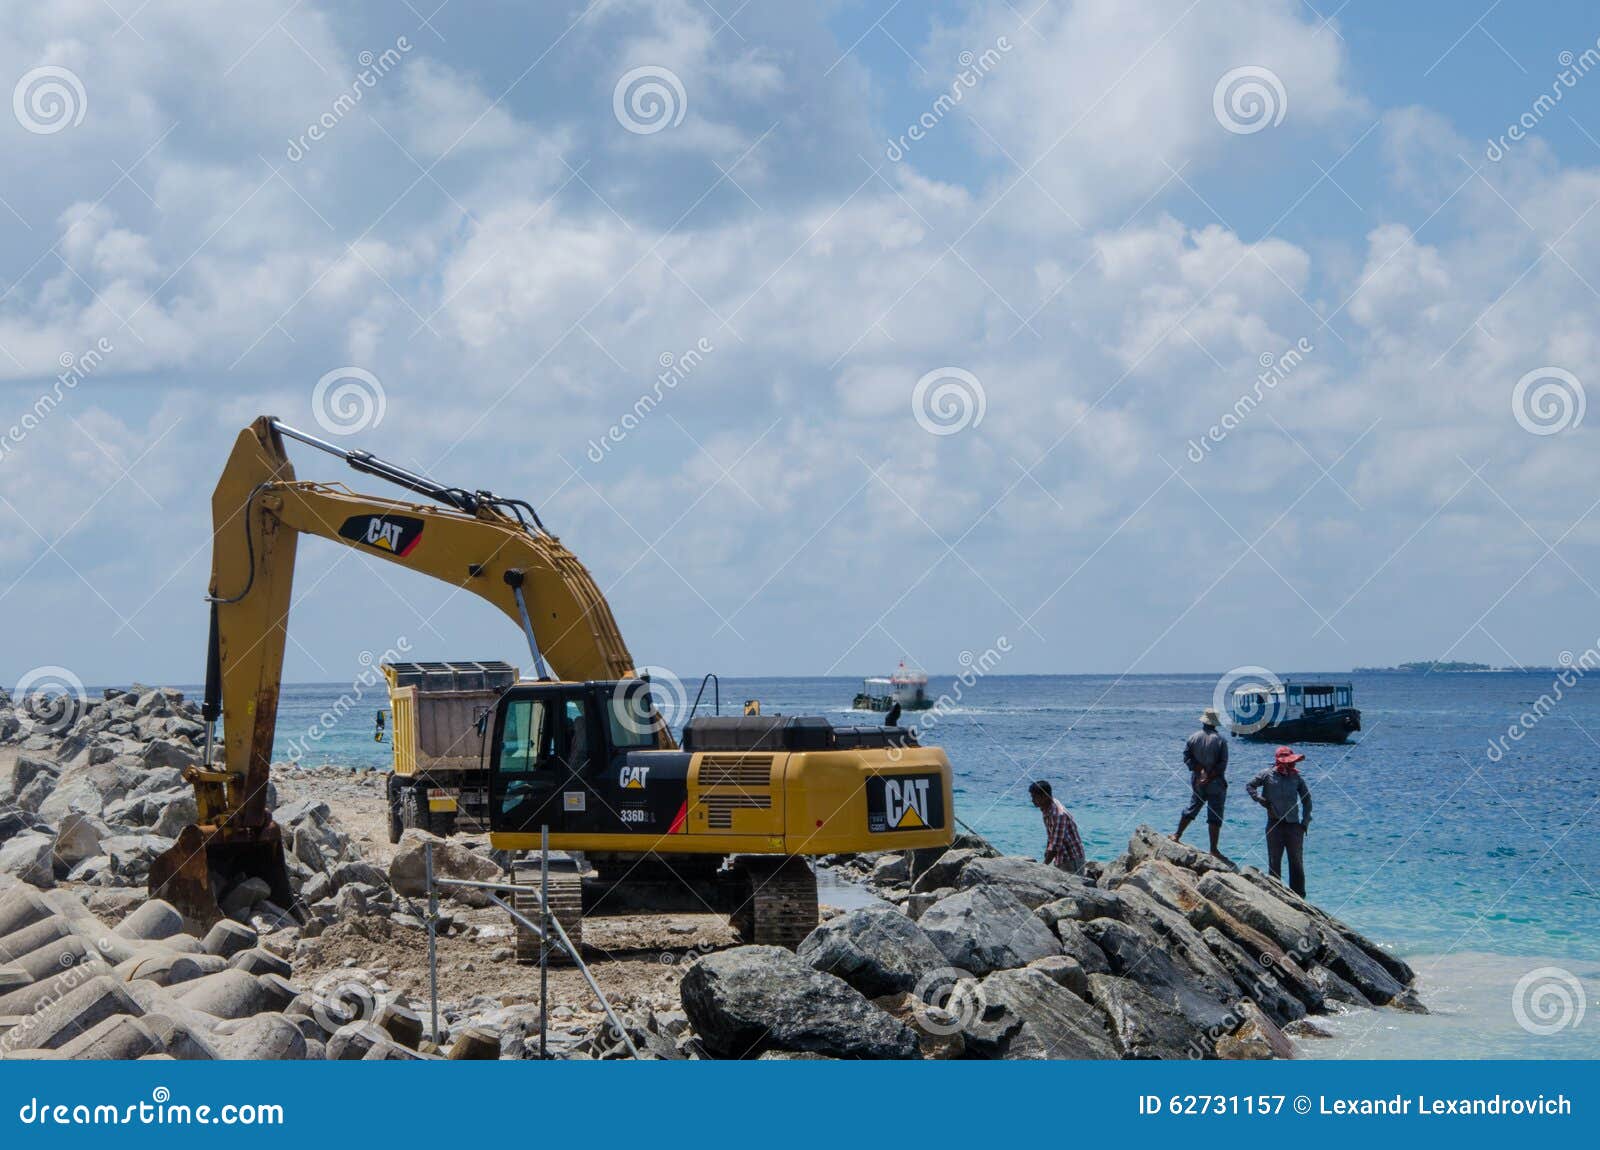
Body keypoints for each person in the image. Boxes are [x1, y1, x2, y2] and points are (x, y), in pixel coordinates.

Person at [1246, 746, 1313, 896]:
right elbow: (1250, 786)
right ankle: (1276, 895)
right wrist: (1260, 799)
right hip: (1274, 824)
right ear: (1279, 762)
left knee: (1296, 862)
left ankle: (1299, 897)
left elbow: (1307, 800)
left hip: (1294, 826)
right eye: (1288, 762)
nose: (1291, 765)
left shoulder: (1296, 778)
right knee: (1274, 861)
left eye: (1292, 762)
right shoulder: (1267, 775)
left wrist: (1305, 822)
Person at [1174, 707, 1231, 863]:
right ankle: (1213, 849)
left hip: (1198, 781)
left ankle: (1177, 835)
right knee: (1215, 815)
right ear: (1215, 724)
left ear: (1203, 722)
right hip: (1216, 783)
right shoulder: (1221, 740)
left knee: (1193, 807)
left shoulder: (1193, 738)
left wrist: (1200, 773)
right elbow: (1222, 765)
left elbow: (1187, 758)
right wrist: (1209, 776)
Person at [1028, 780, 1086, 875]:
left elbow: (1055, 845)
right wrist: (1047, 851)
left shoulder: (1058, 815)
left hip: (1071, 858)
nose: (1032, 800)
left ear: (1044, 797)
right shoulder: (1047, 806)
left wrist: (1043, 866)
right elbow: (1052, 835)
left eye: (1034, 797)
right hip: (1061, 857)